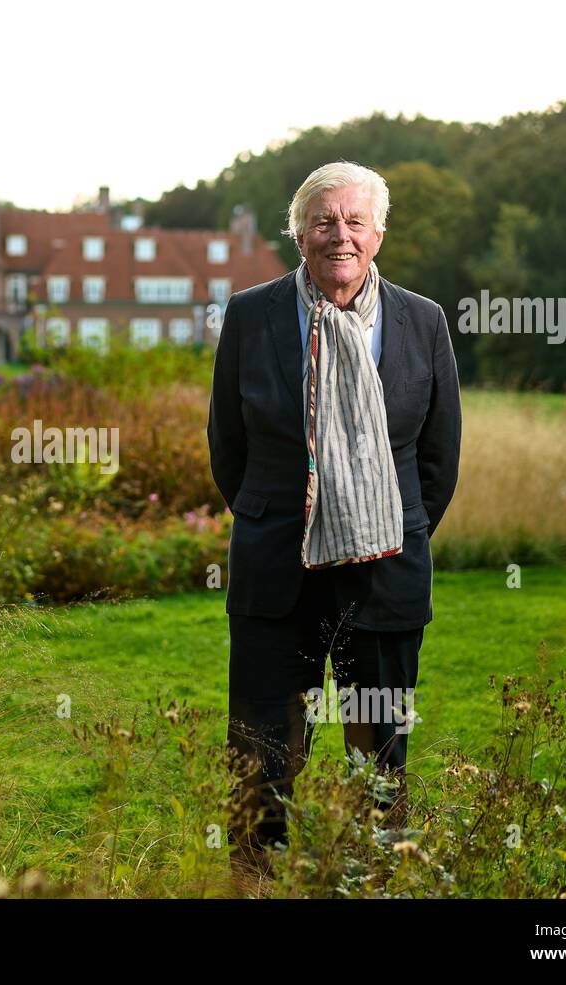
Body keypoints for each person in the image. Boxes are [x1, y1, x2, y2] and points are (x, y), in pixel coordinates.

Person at [206, 161, 462, 882]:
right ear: (299, 232)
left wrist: (389, 527)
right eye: (323, 220)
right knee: (261, 749)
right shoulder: (252, 316)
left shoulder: (423, 321)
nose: (339, 235)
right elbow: (229, 444)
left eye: (354, 221)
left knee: (378, 753)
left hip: (384, 576)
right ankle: (254, 879)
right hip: (275, 570)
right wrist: (277, 517)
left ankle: (370, 880)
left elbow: (437, 458)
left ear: (378, 233)